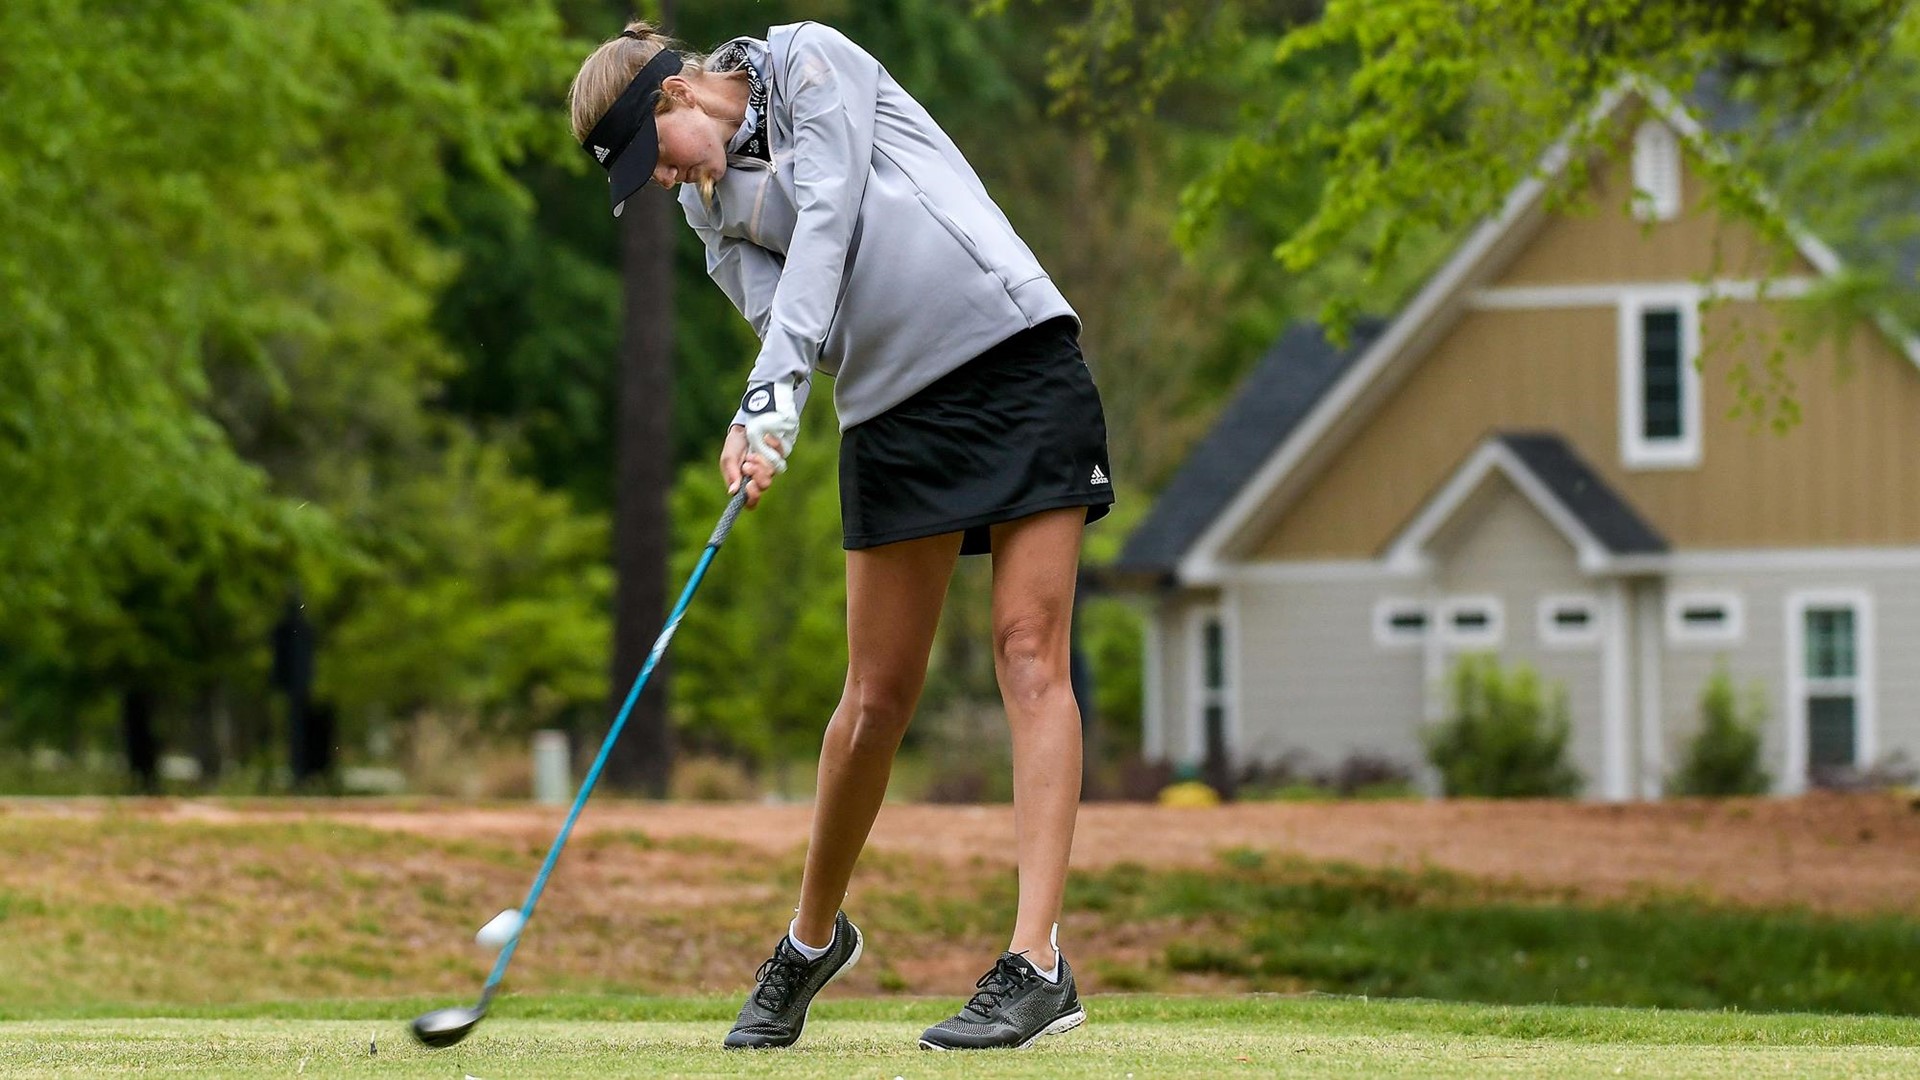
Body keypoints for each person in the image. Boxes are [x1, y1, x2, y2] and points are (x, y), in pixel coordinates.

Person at [568, 20, 1113, 1051]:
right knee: (872, 700)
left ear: (680, 93)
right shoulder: (706, 210)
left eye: (659, 156)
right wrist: (755, 422)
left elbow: (828, 214)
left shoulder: (809, 60)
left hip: (1016, 362)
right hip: (894, 414)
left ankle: (1037, 963)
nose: (665, 185)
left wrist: (767, 397)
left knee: (1030, 655)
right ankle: (811, 941)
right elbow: (787, 326)